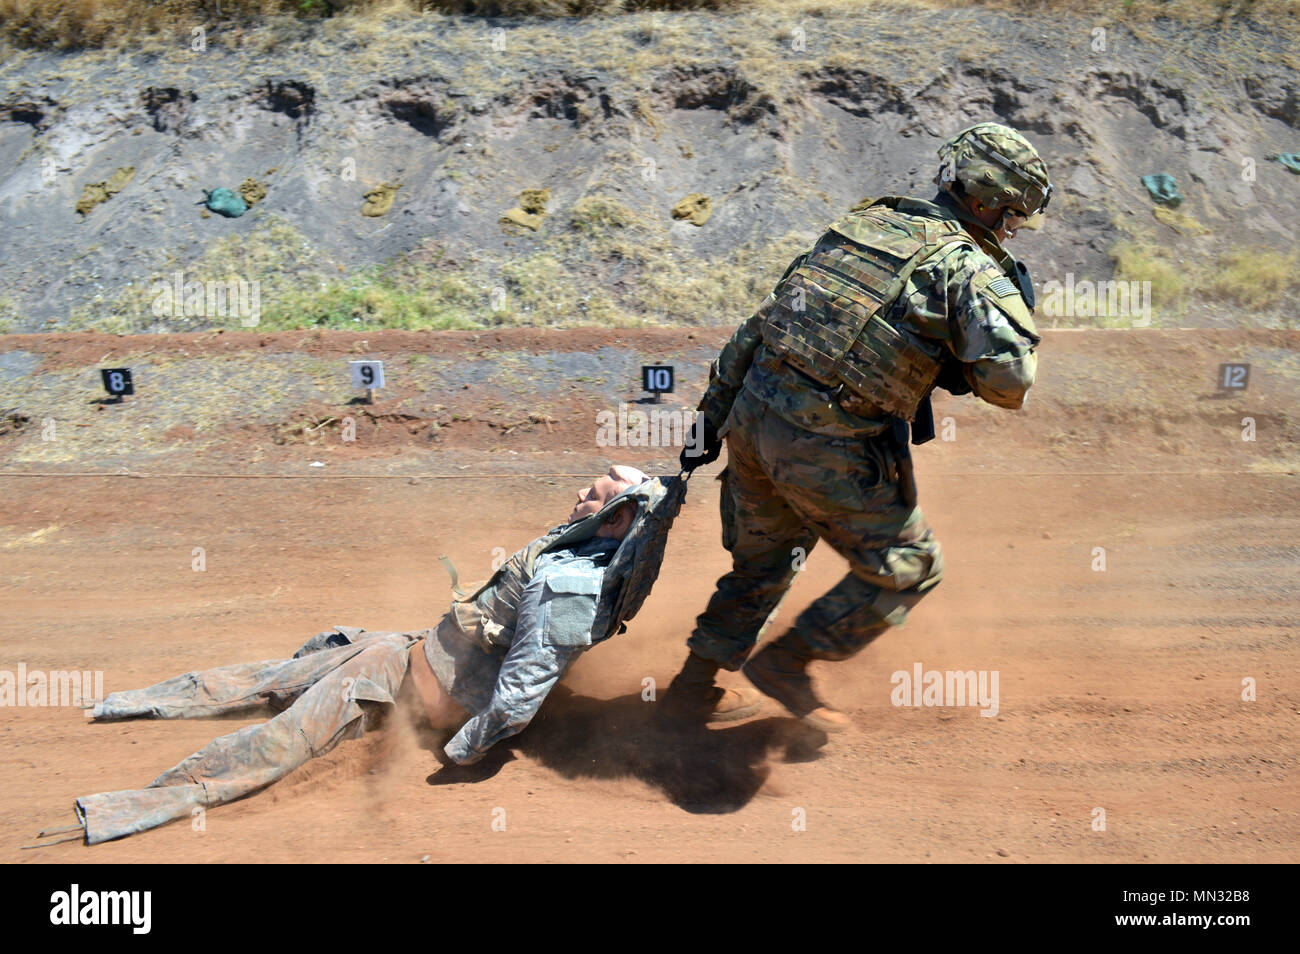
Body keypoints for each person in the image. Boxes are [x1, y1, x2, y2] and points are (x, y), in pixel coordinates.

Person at [666, 122, 1053, 732]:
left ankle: (690, 692)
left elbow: (760, 325)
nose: (1011, 229)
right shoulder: (966, 267)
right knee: (910, 566)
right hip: (827, 443)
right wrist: (993, 325)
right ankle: (790, 662)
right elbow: (1011, 384)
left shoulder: (861, 226)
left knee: (763, 565)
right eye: (1012, 216)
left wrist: (705, 427)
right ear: (984, 201)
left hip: (752, 422)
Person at [73, 465, 658, 844]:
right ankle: (120, 705)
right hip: (399, 653)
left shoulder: (569, 589)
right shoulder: (575, 555)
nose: (582, 489)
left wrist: (459, 752)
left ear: (619, 517)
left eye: (599, 486)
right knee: (272, 676)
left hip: (396, 688)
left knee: (278, 740)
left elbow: (519, 696)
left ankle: (122, 810)